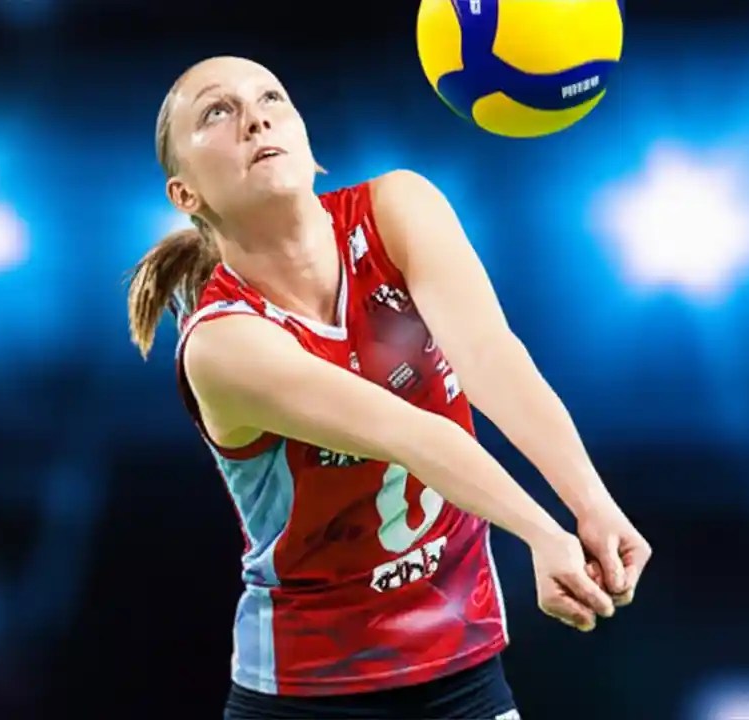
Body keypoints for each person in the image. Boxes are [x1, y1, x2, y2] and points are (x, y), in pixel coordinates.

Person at [126, 56, 652, 720]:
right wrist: (543, 534)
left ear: (306, 138)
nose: (255, 116)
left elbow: (491, 358)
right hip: (305, 691)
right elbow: (409, 434)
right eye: (217, 112)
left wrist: (592, 504)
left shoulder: (398, 207)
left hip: (460, 671)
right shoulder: (220, 343)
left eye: (271, 96)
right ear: (185, 195)